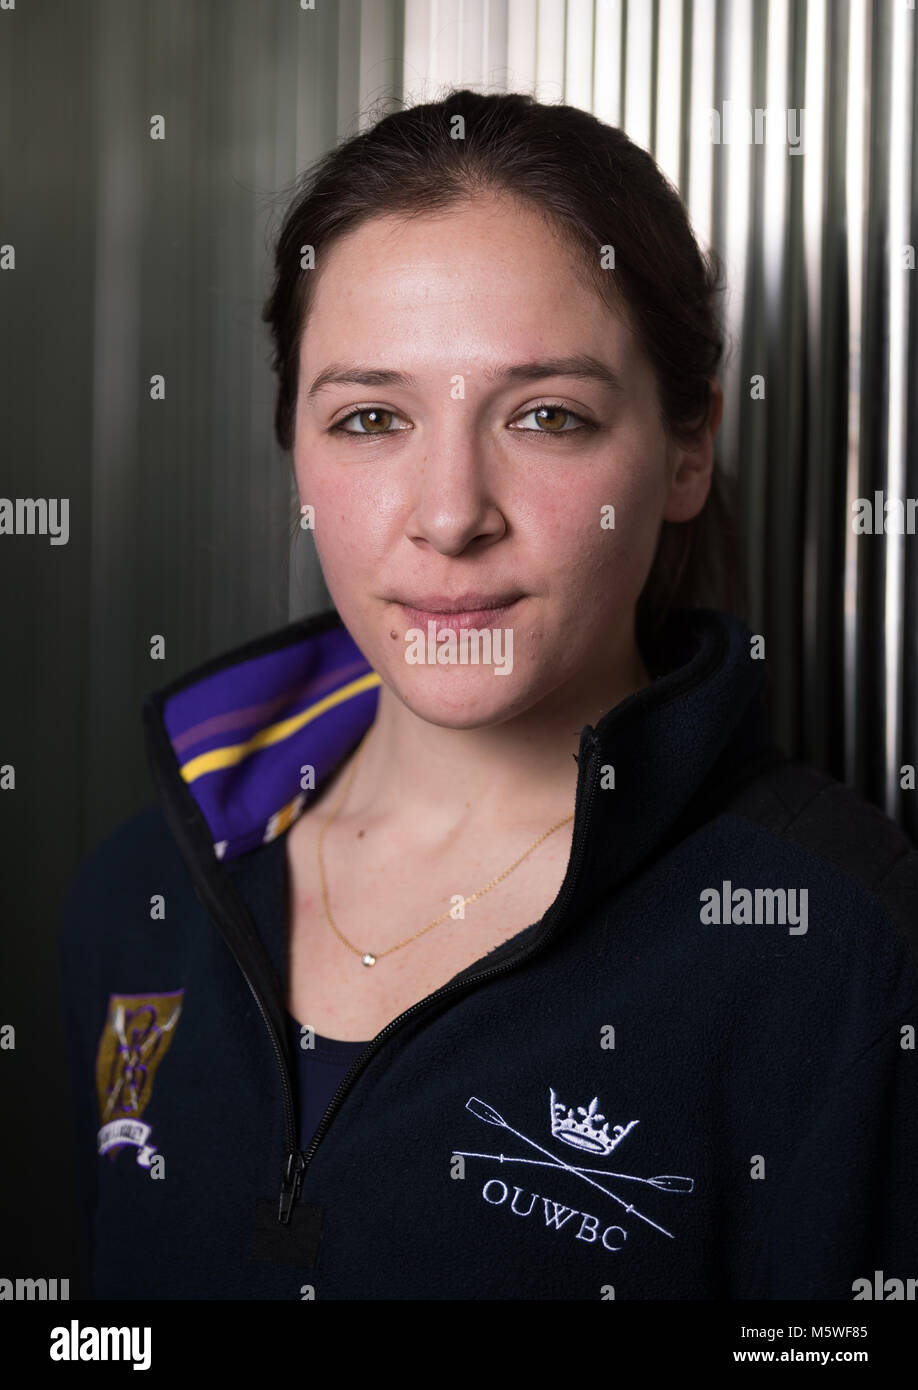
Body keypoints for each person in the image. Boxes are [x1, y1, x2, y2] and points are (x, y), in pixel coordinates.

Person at [59, 88, 917, 1301]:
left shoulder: (843, 954)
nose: (452, 513)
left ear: (686, 449)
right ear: (294, 449)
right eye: (370, 417)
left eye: (547, 416)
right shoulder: (137, 894)